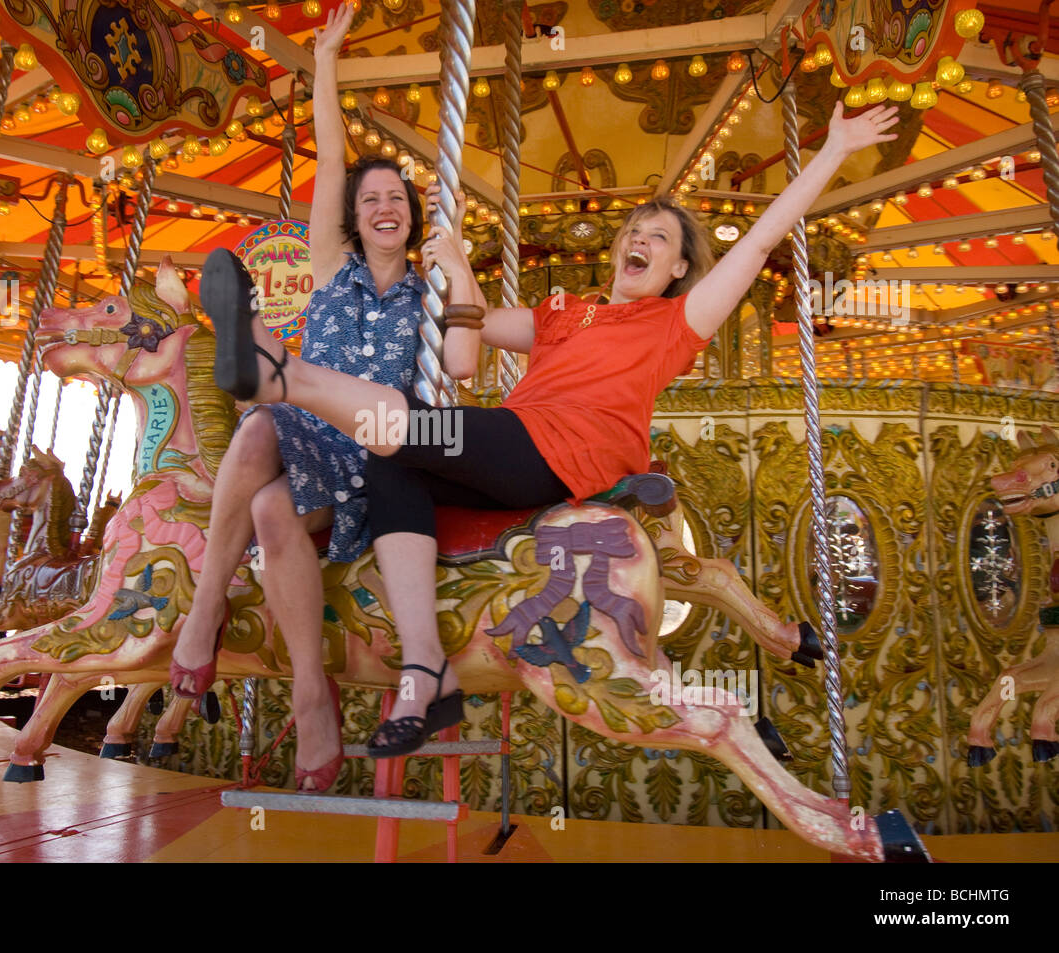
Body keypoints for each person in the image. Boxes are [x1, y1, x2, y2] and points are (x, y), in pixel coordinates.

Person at [201, 99, 900, 758]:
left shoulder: (673, 325)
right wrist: (456, 268)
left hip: (560, 456)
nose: (638, 241)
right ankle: (424, 670)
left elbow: (756, 244)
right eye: (634, 231)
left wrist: (833, 150)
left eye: (657, 238)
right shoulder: (568, 314)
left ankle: (277, 374)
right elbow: (474, 333)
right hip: (510, 445)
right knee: (393, 462)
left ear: (679, 267)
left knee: (412, 427)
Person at [169, 1, 454, 790]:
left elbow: (457, 364)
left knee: (262, 433)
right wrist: (325, 58)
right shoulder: (332, 266)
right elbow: (331, 157)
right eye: (370, 200)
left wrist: (459, 271)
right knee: (263, 461)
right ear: (354, 222)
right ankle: (306, 691)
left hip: (369, 449)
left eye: (396, 196)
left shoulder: (431, 300)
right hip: (297, 432)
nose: (383, 205)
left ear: (413, 214)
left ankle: (209, 618)